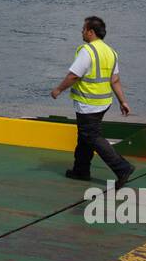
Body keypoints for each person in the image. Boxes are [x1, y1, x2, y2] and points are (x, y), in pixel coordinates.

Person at [50, 15, 135, 189]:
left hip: (89, 103)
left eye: (83, 29)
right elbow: (115, 80)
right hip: (103, 103)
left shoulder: (87, 51)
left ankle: (122, 168)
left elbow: (74, 75)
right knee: (84, 137)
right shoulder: (110, 52)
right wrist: (123, 101)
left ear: (91, 32)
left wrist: (58, 89)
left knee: (92, 136)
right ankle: (81, 170)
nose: (81, 32)